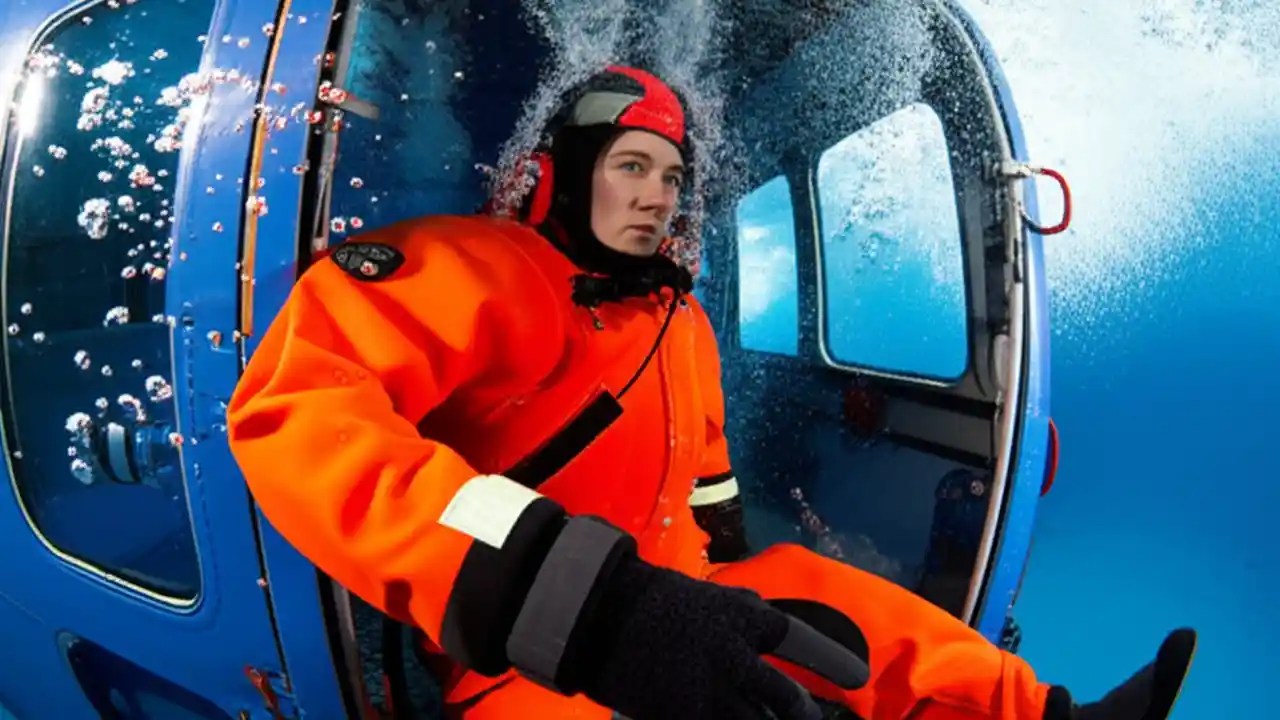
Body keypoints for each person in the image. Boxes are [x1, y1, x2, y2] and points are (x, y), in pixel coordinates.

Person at [226, 64, 1196, 720]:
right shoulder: (478, 268)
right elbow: (297, 411)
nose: (657, 195)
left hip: (680, 584)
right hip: (530, 645)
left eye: (672, 175)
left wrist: (728, 549)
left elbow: (708, 475)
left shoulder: (677, 323)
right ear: (558, 177)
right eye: (631, 167)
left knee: (838, 606)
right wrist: (586, 605)